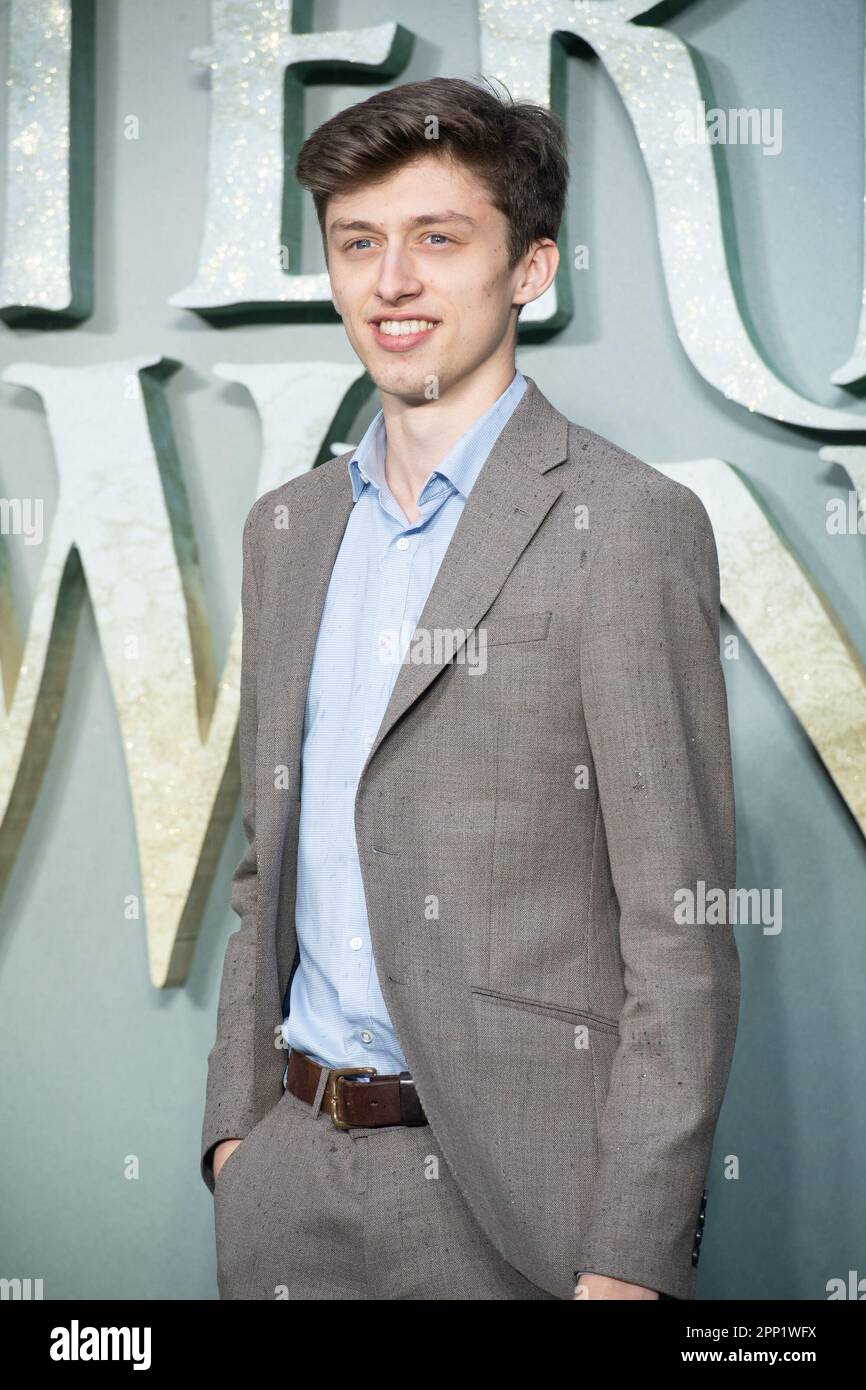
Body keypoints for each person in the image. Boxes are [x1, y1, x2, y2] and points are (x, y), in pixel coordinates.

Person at [200, 75, 741, 1301]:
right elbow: (260, 865)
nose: (391, 282)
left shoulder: (629, 524)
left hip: (522, 1218)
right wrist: (237, 1142)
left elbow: (680, 929)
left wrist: (630, 1256)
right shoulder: (284, 530)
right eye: (357, 244)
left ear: (531, 267)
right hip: (286, 1191)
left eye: (437, 240)